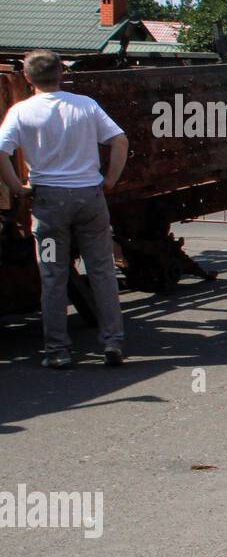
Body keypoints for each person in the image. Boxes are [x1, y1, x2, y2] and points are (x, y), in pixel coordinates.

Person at [0, 49, 128, 368]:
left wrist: (18, 187)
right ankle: (112, 342)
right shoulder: (85, 105)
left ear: (27, 78)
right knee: (101, 271)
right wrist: (109, 179)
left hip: (48, 203)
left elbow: (1, 152)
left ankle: (57, 350)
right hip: (89, 197)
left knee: (52, 275)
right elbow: (120, 140)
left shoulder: (20, 112)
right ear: (61, 73)